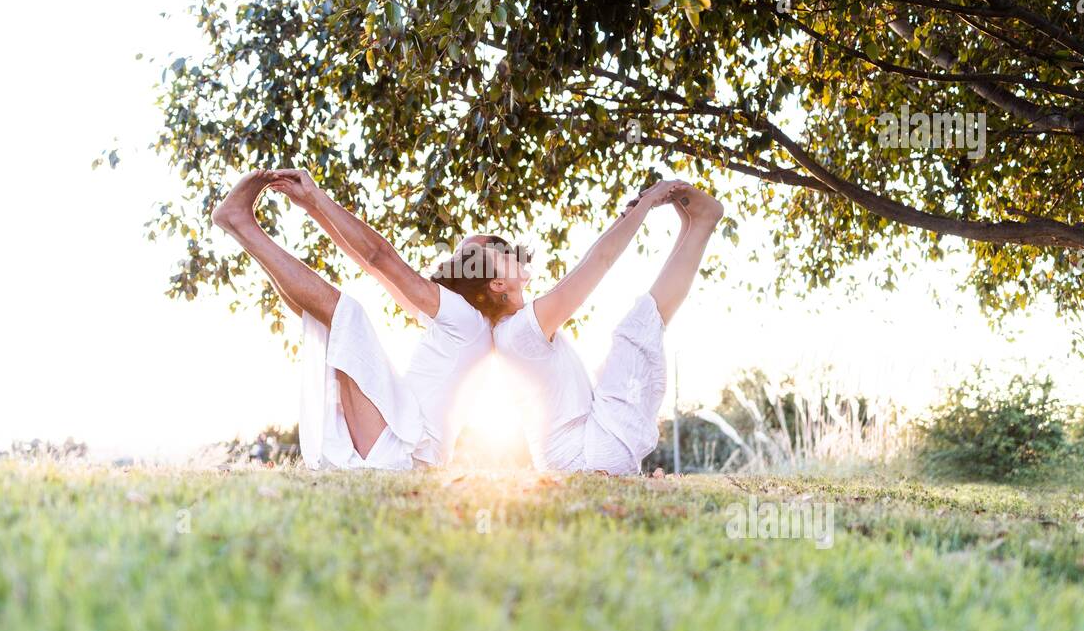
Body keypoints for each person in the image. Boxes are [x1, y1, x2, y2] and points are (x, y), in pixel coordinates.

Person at [211, 168, 508, 470]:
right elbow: (374, 267)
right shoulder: (466, 325)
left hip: (403, 452)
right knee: (332, 319)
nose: (454, 258)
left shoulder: (466, 319)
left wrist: (316, 197)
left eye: (467, 254)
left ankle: (240, 224)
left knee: (347, 315)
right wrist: (314, 208)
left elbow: (380, 256)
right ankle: (239, 225)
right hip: (399, 444)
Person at [488, 179, 723, 474]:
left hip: (588, 445)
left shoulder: (513, 329)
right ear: (497, 284)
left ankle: (694, 227)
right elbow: (600, 260)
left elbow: (591, 258)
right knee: (635, 331)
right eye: (499, 251)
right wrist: (647, 202)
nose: (510, 250)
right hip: (589, 455)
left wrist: (631, 211)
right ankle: (700, 225)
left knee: (635, 333)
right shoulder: (519, 331)